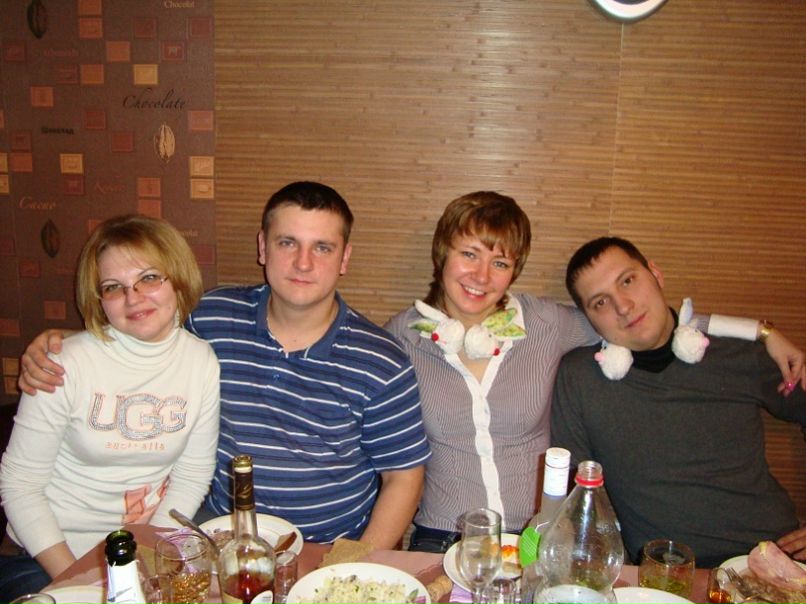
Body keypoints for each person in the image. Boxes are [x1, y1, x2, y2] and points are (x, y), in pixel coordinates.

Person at [384, 191, 806, 553]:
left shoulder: (546, 324)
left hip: (534, 538)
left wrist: (760, 331)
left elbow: (644, 322)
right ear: (442, 253)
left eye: (500, 262)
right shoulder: (399, 340)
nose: (480, 276)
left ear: (515, 271)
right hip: (443, 536)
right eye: (469, 254)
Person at [17, 182, 431, 549]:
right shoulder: (212, 316)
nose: (303, 263)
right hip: (217, 535)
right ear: (263, 247)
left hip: (326, 545)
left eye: (322, 247)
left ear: (344, 258)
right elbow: (141, 326)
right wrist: (67, 341)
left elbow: (404, 477)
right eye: (287, 243)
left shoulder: (381, 361)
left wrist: (355, 561)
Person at [551, 236, 806, 568]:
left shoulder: (738, 353)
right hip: (665, 575)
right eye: (600, 302)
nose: (623, 306)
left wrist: (763, 332)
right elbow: (574, 496)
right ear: (589, 319)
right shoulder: (580, 377)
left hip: (772, 559)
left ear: (655, 274)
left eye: (628, 281)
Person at [0, 215, 220, 598]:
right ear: (100, 300)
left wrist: (152, 553)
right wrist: (78, 581)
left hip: (142, 547)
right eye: (113, 287)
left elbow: (192, 474)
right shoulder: (63, 363)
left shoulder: (200, 361)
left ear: (178, 279)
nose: (133, 298)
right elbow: (21, 485)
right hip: (46, 555)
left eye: (149, 278)